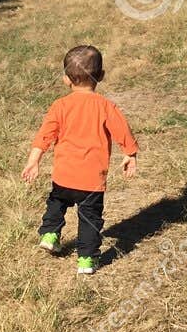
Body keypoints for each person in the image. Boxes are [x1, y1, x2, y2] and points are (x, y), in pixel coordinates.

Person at [21, 44, 138, 277]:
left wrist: (34, 161)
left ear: (66, 79)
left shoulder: (60, 106)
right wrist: (130, 154)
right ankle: (86, 260)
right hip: (92, 181)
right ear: (101, 76)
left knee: (56, 203)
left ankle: (50, 233)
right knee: (90, 220)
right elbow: (122, 131)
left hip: (63, 175)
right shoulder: (106, 106)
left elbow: (44, 135)